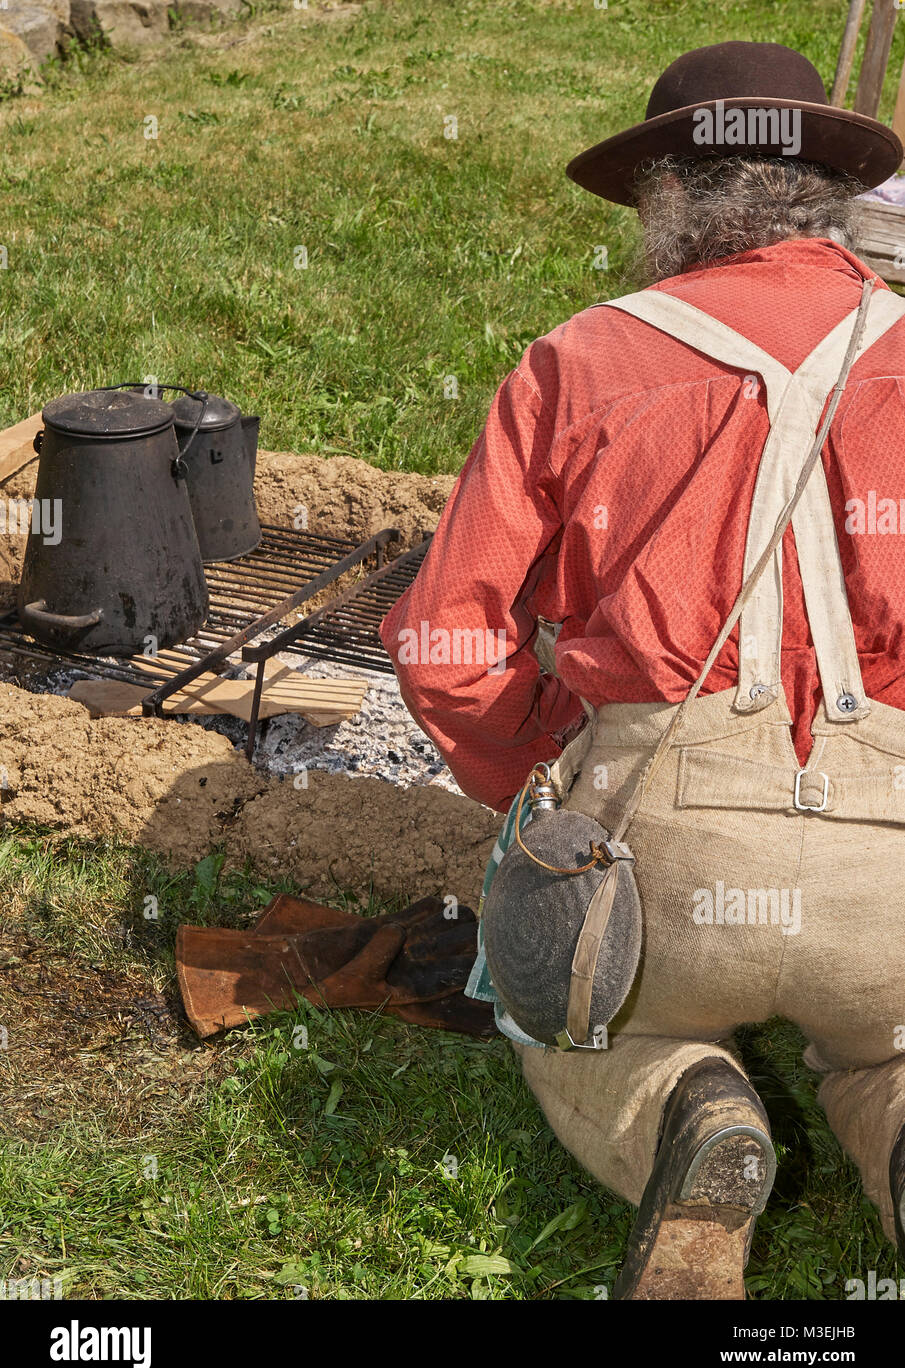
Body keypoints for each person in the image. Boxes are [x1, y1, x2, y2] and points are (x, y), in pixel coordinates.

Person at [379, 41, 905, 1299]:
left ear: (665, 194)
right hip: (889, 866)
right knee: (888, 1039)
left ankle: (689, 1106)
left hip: (656, 866)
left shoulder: (579, 359)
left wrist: (544, 787)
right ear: (826, 192)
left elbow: (443, 644)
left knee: (570, 1019)